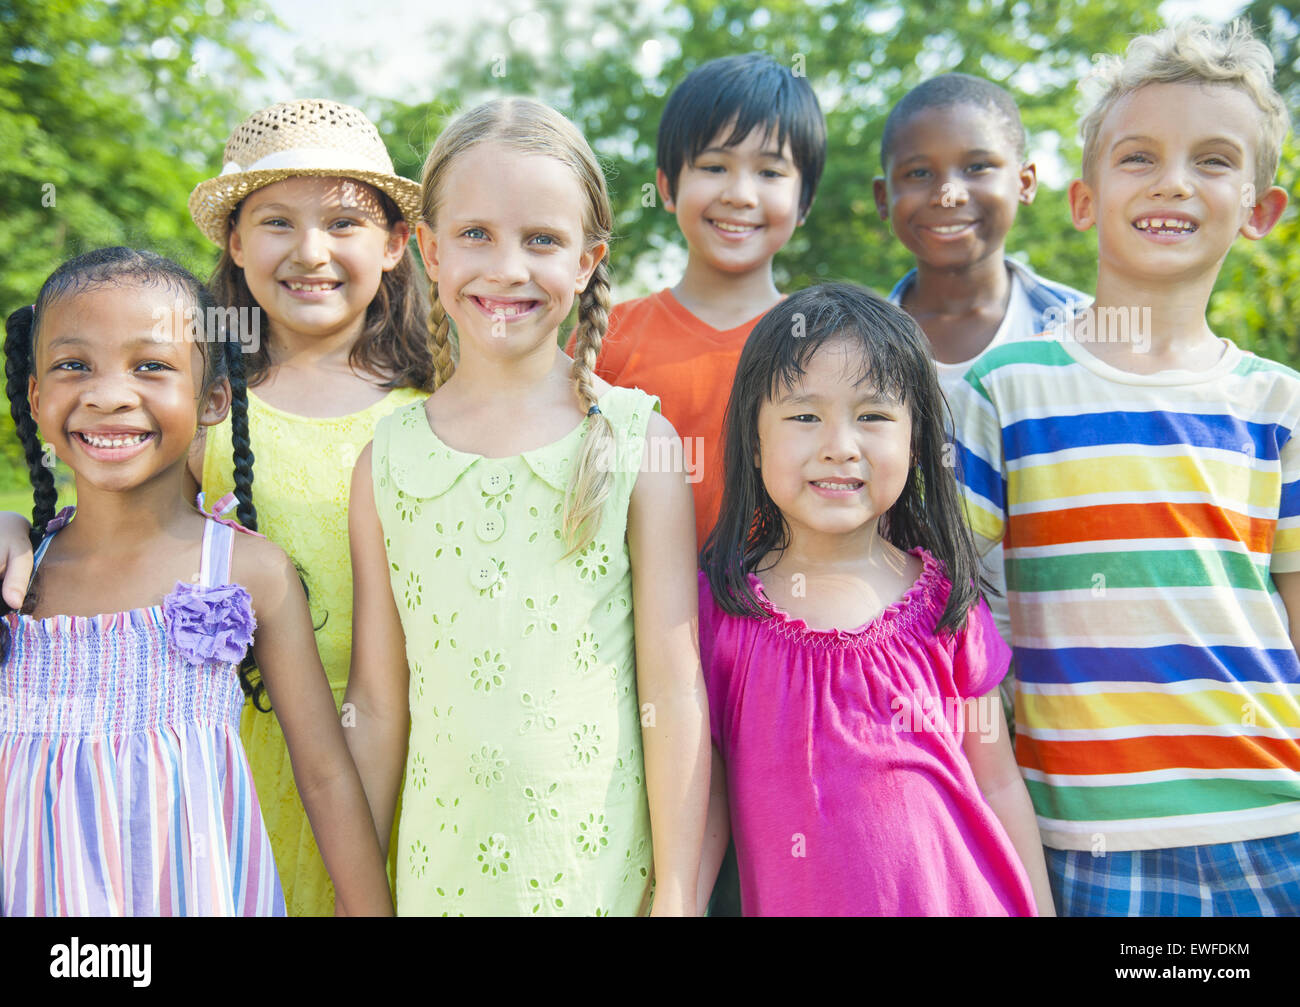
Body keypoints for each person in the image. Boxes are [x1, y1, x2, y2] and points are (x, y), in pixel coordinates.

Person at [950, 20, 1300, 915]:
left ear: (1262, 211)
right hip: (1083, 835)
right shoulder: (1006, 391)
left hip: (1273, 822)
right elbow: (959, 623)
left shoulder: (1279, 406)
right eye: (1139, 156)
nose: (1174, 182)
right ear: (1082, 199)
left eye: (1214, 161)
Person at [344, 98, 709, 916]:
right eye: (475, 234)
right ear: (430, 252)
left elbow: (674, 690)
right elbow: (373, 702)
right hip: (441, 883)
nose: (507, 268)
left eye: (541, 239)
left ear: (587, 260)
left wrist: (679, 894)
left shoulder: (635, 442)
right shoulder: (387, 463)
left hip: (598, 879)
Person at [0, 248, 391, 916]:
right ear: (36, 398)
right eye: (74, 365)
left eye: (151, 366)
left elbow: (326, 778)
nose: (108, 393)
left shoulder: (247, 573)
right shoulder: (15, 578)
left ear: (213, 399)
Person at [696, 283, 1054, 916]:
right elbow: (703, 799)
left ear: (915, 443)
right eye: (804, 416)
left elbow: (997, 782)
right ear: (753, 440)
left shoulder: (945, 602)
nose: (840, 444)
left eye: (873, 415)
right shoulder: (719, 611)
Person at [187, 98, 433, 915]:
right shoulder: (204, 407)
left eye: (343, 222)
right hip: (234, 748)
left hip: (399, 749)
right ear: (234, 241)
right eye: (276, 222)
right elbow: (120, 539)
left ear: (396, 244)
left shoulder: (434, 412)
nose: (310, 251)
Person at [565, 52, 826, 549]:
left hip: (782, 620)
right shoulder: (609, 338)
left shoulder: (829, 344)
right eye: (714, 165)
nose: (741, 194)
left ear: (805, 200)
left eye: (771, 173)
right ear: (667, 185)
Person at [874, 72, 1088, 647]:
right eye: (919, 173)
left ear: (1024, 182)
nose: (948, 192)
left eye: (977, 167)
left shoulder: (1087, 335)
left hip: (1076, 666)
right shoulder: (855, 353)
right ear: (882, 197)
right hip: (916, 666)